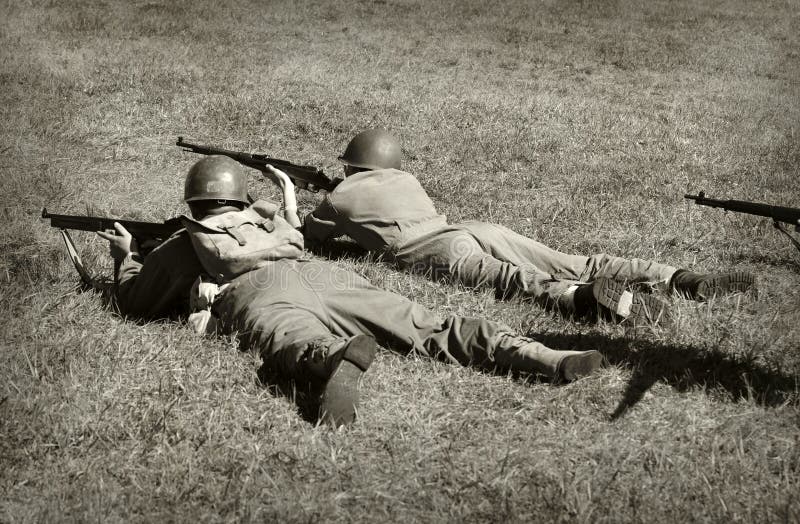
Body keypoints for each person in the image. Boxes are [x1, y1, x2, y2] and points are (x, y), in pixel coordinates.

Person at [97, 156, 604, 428]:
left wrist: (126, 256)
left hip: (256, 293)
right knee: (426, 323)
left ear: (194, 201)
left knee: (292, 337)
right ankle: (537, 353)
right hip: (325, 274)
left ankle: (332, 360)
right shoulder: (265, 221)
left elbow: (134, 302)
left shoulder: (186, 242)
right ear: (238, 195)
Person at [303, 129, 756, 323]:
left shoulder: (340, 196)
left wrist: (290, 189)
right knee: (575, 259)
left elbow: (308, 236)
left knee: (513, 280)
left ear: (351, 167)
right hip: (472, 227)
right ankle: (679, 277)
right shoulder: (407, 177)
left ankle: (587, 301)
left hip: (433, 249)